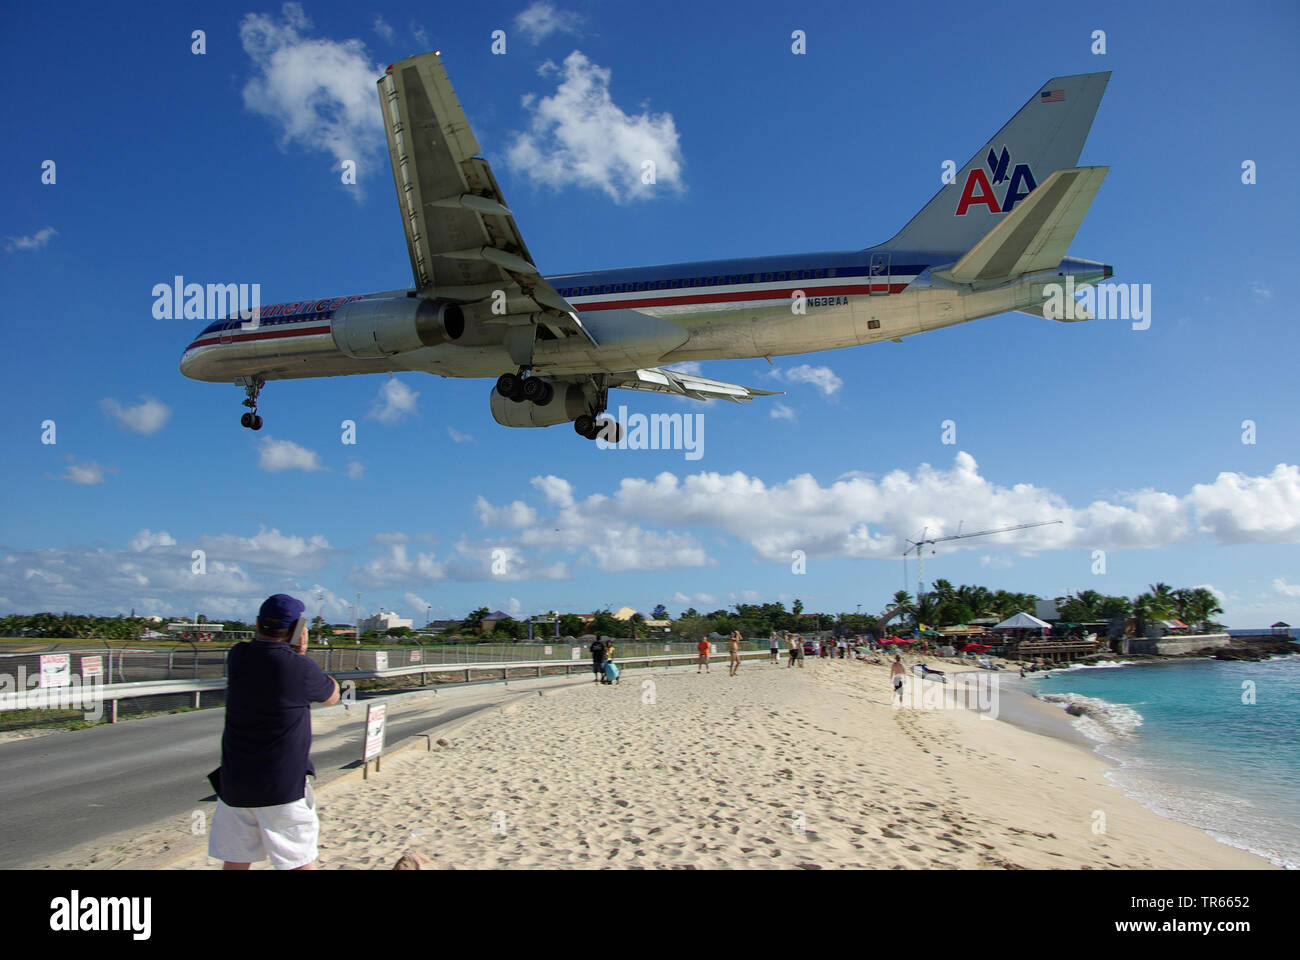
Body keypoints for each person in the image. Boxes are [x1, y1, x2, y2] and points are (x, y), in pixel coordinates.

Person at [208, 594, 340, 871]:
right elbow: (331, 696)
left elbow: (265, 659)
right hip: (282, 786)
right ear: (297, 630)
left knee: (235, 860)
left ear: (257, 623)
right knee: (298, 860)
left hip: (235, 783)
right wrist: (301, 654)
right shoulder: (300, 667)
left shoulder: (238, 656)